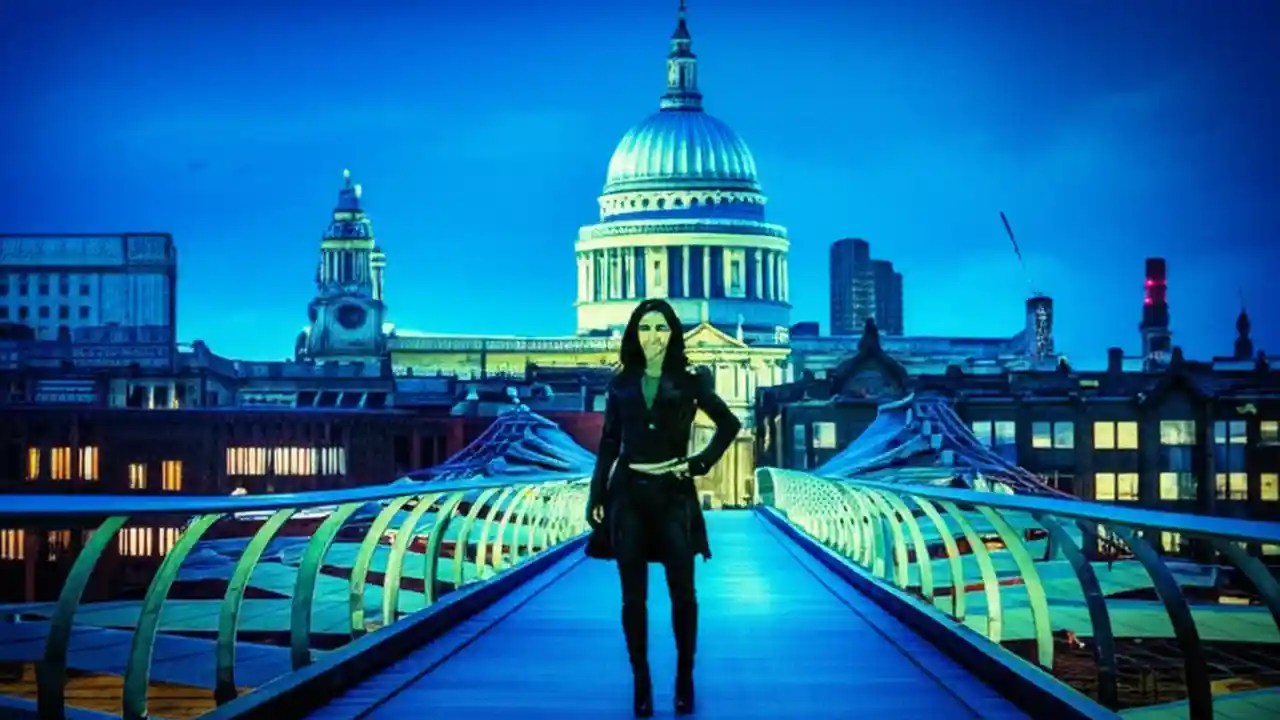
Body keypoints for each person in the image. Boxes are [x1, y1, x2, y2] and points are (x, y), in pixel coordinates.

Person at [587, 298, 742, 717]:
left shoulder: (691, 381)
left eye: (661, 328)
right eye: (645, 328)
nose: (652, 336)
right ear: (634, 334)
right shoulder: (620, 385)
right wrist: (596, 494)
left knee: (683, 594)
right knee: (632, 598)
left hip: (673, 494)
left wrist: (698, 464)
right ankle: (641, 683)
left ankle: (684, 679)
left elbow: (729, 424)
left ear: (673, 334)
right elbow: (608, 442)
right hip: (628, 495)